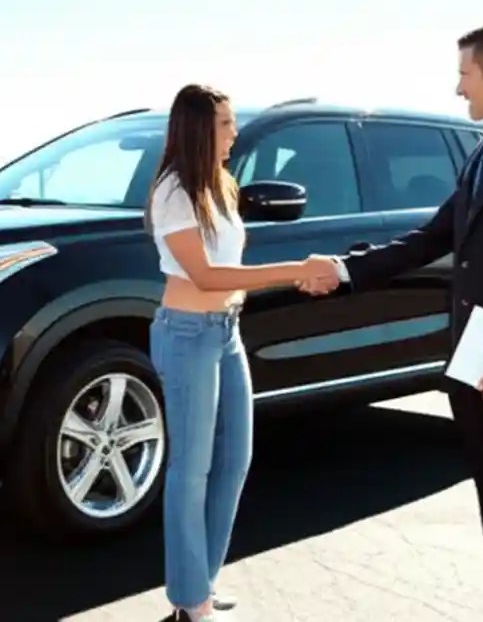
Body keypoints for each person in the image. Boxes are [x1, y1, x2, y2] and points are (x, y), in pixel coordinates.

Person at [304, 23, 483, 622]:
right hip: (472, 368)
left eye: (465, 74)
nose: (458, 89)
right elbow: (431, 238)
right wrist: (345, 270)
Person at [146, 83, 336, 622]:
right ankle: (191, 600)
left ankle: (201, 581)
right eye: (225, 123)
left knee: (236, 458)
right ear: (199, 128)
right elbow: (205, 275)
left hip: (226, 332)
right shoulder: (174, 192)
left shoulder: (222, 186)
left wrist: (285, 281)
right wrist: (295, 271)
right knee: (192, 468)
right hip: (186, 333)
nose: (234, 132)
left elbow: (228, 276)